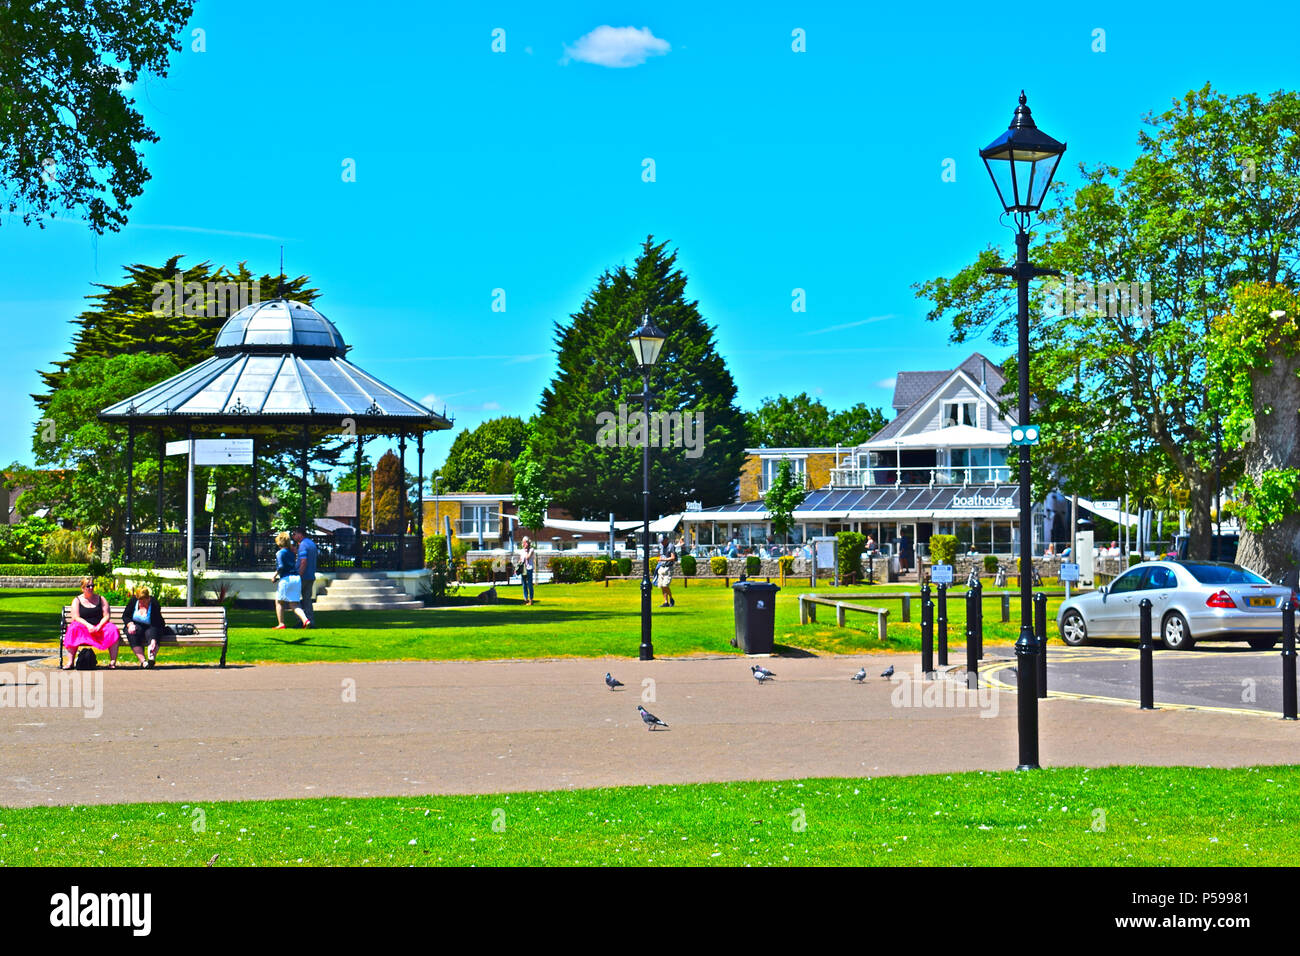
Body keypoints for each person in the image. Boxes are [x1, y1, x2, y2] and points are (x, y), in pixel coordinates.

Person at [64, 577, 122, 669]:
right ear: (82, 588)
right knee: (73, 629)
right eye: (88, 586)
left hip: (99, 628)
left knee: (112, 629)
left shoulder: (101, 599)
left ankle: (112, 662)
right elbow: (75, 617)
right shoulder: (77, 600)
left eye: (92, 586)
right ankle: (70, 662)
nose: (91, 588)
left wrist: (99, 626)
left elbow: (106, 616)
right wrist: (88, 625)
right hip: (84, 628)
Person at [122, 585, 166, 668]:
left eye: (144, 600)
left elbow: (156, 623)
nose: (142, 603)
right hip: (137, 625)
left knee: (152, 634)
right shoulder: (133, 601)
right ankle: (143, 662)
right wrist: (130, 624)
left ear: (148, 598)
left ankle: (151, 658)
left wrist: (153, 639)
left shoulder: (154, 604)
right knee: (131, 633)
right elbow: (125, 616)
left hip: (153, 626)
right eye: (140, 600)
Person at [273, 531, 310, 629]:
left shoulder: (279, 553)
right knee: (295, 604)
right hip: (296, 578)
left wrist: (274, 576)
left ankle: (281, 623)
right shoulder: (291, 552)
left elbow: (281, 566)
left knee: (279, 601)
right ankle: (305, 620)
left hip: (286, 578)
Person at [291, 527, 318, 625]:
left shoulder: (303, 545)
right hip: (310, 575)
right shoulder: (311, 544)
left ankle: (301, 621)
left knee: (295, 600)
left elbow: (303, 562)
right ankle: (310, 621)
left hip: (303, 577)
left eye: (294, 534)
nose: (293, 536)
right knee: (307, 600)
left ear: (300, 534)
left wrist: (299, 575)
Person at [656, 533, 676, 607]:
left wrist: (664, 559)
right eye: (660, 541)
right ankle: (665, 602)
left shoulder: (670, 546)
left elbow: (673, 557)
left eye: (662, 541)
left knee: (665, 585)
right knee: (661, 585)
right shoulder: (661, 546)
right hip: (661, 567)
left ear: (666, 539)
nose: (662, 543)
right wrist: (659, 559)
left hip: (668, 568)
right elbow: (660, 555)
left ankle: (671, 598)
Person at [519, 536, 536, 605]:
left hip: (529, 569)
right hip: (523, 569)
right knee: (524, 585)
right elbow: (520, 560)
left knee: (530, 585)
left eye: (525, 542)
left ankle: (531, 600)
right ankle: (525, 599)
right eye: (523, 542)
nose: (524, 544)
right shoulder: (521, 551)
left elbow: (527, 557)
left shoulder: (531, 550)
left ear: (528, 543)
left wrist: (526, 550)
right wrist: (517, 568)